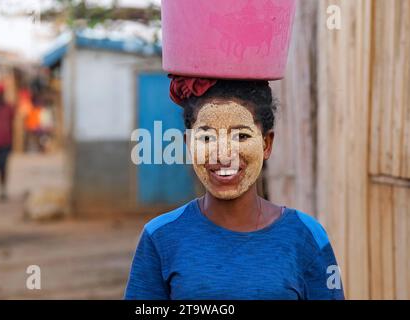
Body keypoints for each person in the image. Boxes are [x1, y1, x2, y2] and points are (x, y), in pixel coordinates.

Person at [124, 77, 345, 300]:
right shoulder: (160, 237)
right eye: (207, 137)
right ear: (189, 146)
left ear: (266, 144)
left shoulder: (307, 236)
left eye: (241, 136)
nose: (223, 155)